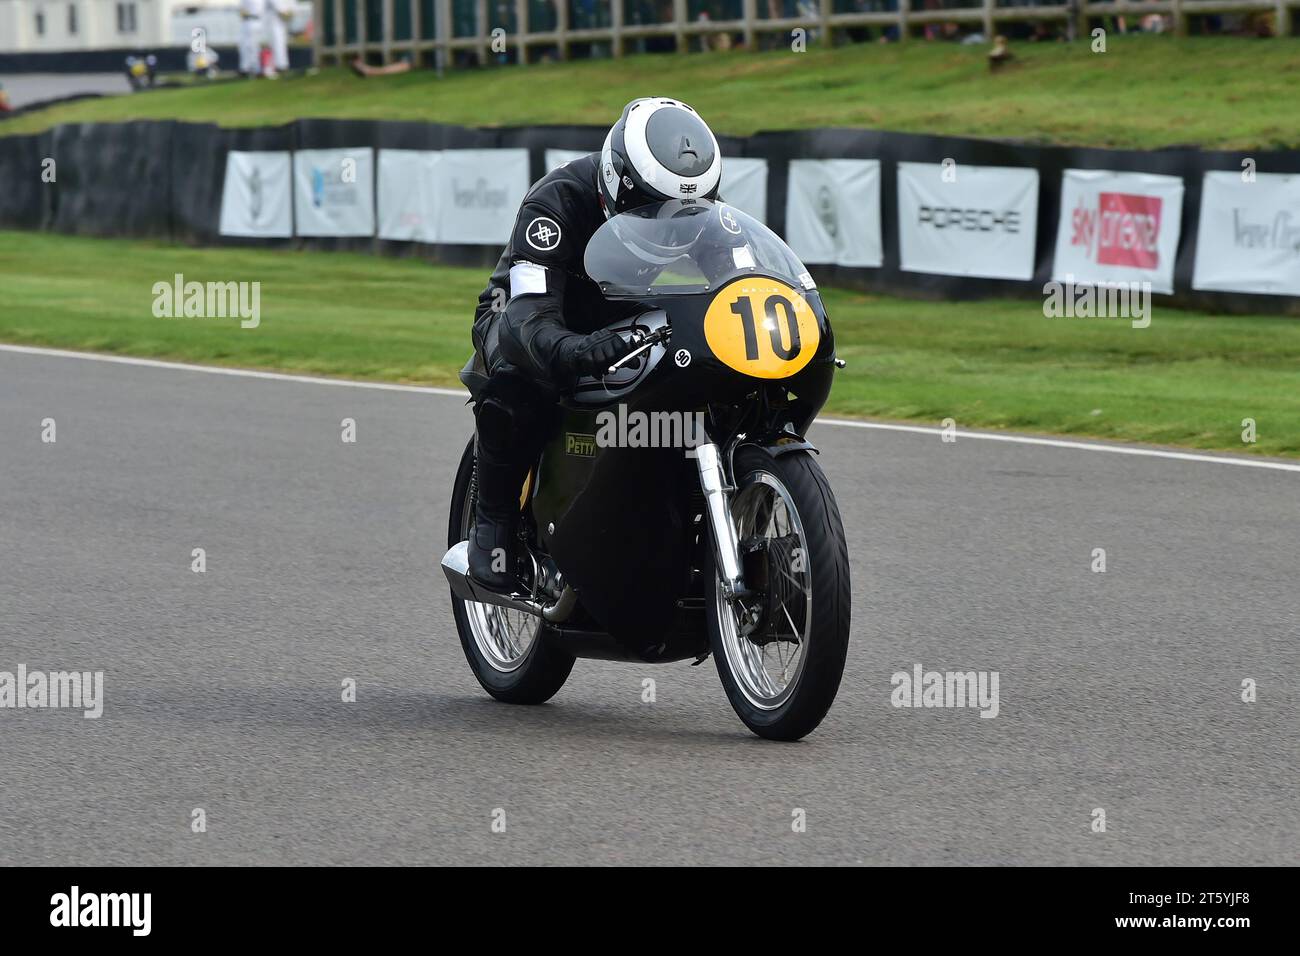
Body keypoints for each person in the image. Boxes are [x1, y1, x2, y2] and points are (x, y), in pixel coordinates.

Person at [464, 97, 724, 592]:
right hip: (527, 313)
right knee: (522, 376)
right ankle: (492, 521)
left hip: (625, 314)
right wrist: (573, 349)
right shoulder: (555, 202)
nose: (670, 221)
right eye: (653, 206)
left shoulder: (700, 211)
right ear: (617, 180)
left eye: (684, 211)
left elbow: (737, 282)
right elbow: (527, 315)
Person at [239, 0, 266, 77]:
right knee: (252, 47)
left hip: (250, 21)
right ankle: (250, 68)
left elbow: (242, 11)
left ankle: (252, 69)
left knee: (250, 47)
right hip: (257, 21)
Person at [266, 0, 293, 76]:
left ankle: (281, 66)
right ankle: (279, 67)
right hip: (274, 23)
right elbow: (280, 10)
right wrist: (288, 14)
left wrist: (289, 14)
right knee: (277, 44)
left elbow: (290, 9)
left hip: (282, 23)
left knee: (281, 45)